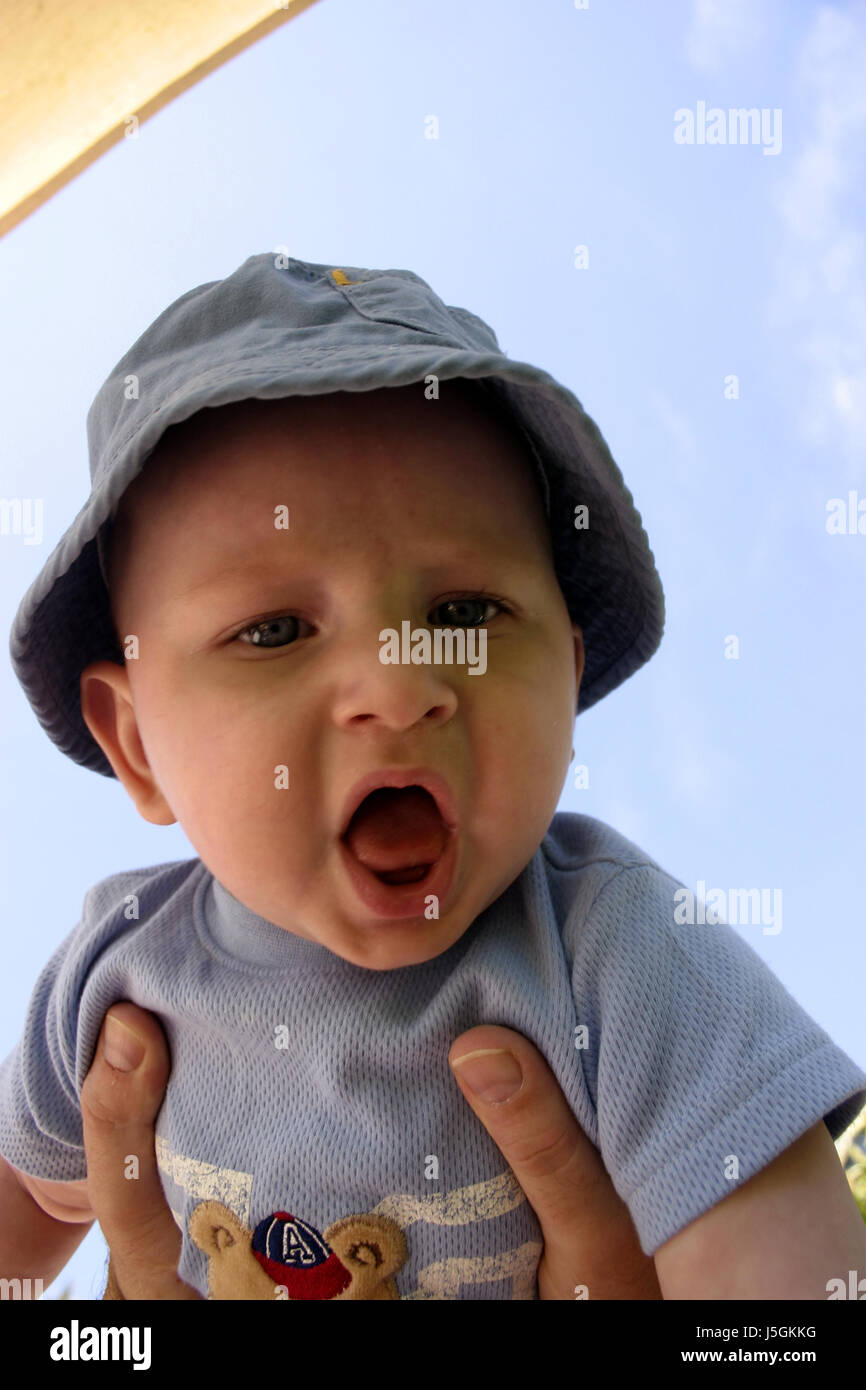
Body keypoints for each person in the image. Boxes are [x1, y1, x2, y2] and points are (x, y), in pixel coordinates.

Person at [1, 254, 864, 1301]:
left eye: (464, 613)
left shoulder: (620, 957)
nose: (402, 685)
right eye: (274, 630)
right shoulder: (111, 986)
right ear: (136, 746)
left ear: (567, 671)